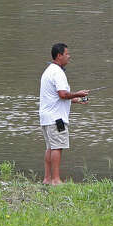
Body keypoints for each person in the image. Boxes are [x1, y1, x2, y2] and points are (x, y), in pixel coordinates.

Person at [38, 42, 88, 185]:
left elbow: (56, 96)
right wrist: (77, 93)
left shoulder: (48, 71)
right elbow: (62, 94)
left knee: (50, 147)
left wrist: (75, 99)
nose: (69, 56)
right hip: (57, 119)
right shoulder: (58, 72)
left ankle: (47, 179)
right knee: (57, 148)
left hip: (47, 118)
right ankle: (56, 180)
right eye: (67, 54)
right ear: (59, 55)